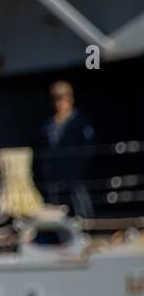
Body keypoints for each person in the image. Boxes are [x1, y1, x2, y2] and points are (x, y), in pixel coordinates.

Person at [39, 80, 95, 218]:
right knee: (55, 208)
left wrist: (78, 168)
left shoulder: (80, 123)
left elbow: (88, 149)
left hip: (74, 176)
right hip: (55, 177)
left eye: (62, 98)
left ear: (70, 98)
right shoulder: (48, 125)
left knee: (80, 207)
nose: (59, 103)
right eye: (55, 99)